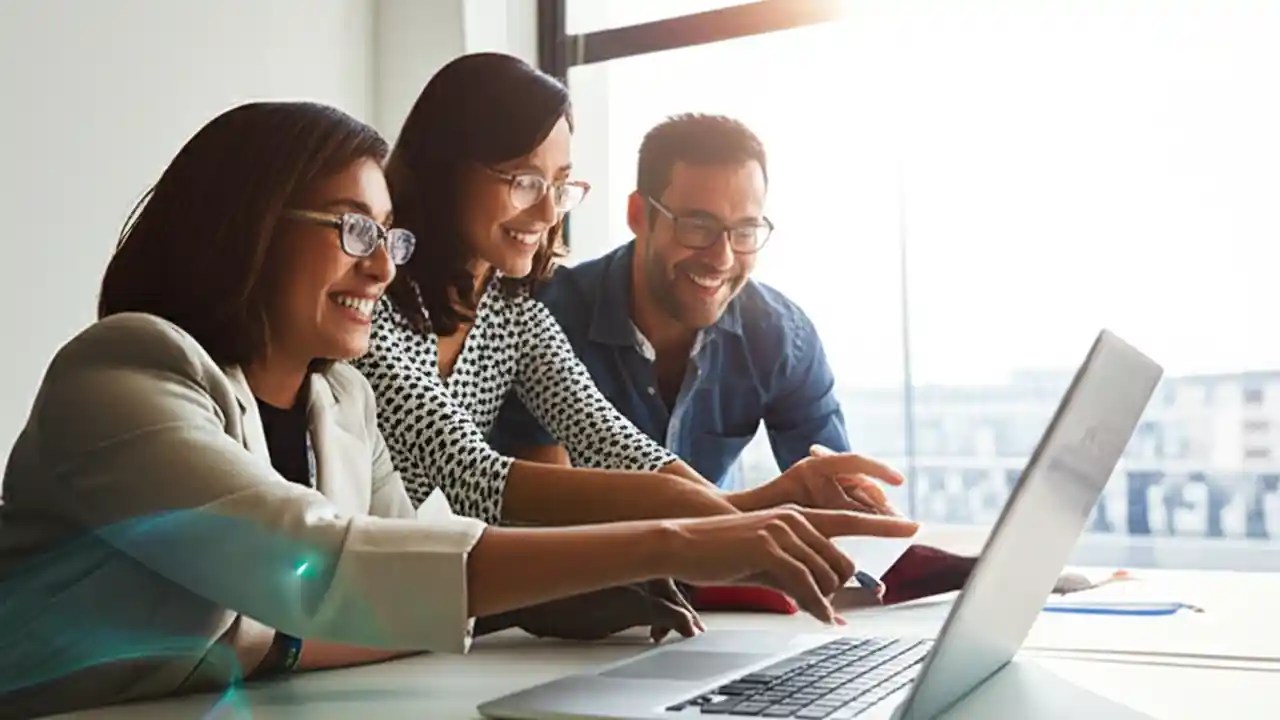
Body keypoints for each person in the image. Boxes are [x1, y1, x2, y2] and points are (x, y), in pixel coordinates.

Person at [0, 102, 918, 717]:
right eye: (353, 230)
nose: (383, 267)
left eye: (387, 234)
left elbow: (410, 569)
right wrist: (679, 537)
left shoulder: (340, 403)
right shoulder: (123, 372)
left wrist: (537, 595)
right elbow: (323, 566)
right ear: (244, 225)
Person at [353, 52, 905, 537]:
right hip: (340, 603)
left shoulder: (512, 311)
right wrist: (746, 514)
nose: (548, 214)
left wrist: (746, 519)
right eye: (523, 180)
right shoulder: (370, 295)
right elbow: (476, 478)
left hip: (430, 603)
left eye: (559, 185)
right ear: (449, 170)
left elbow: (612, 444)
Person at [487, 114, 997, 605]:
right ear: (639, 215)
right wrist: (765, 507)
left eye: (745, 232)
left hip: (712, 612)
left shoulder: (781, 336)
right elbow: (551, 528)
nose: (722, 257)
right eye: (698, 227)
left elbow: (836, 516)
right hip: (564, 620)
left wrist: (921, 555)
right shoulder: (544, 321)